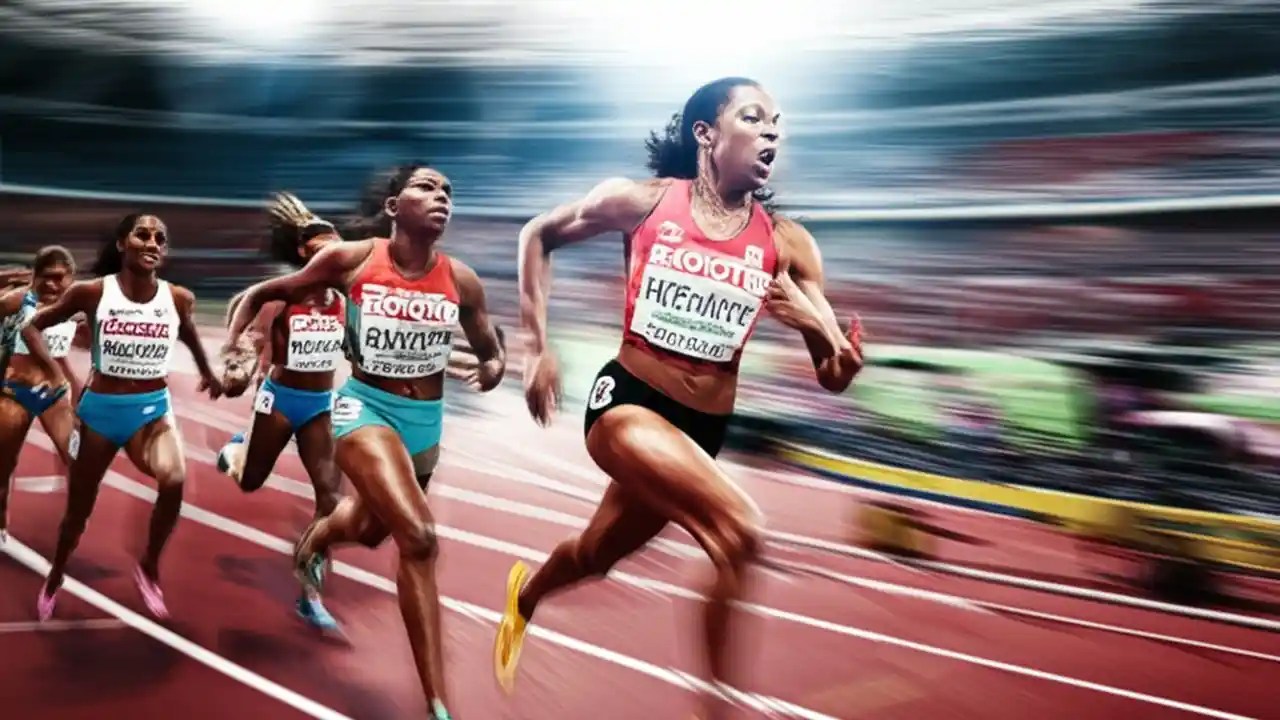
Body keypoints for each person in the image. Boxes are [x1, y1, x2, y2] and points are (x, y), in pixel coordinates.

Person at [492, 77, 865, 718]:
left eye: (779, 121)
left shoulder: (789, 244)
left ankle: (525, 596)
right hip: (626, 404)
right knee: (741, 532)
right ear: (706, 134)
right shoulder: (639, 202)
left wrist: (817, 329)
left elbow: (834, 374)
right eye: (754, 118)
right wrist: (536, 348)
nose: (773, 131)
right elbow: (538, 235)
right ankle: (717, 707)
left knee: (594, 556)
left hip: (701, 432)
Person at [223, 165, 507, 720]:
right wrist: (235, 346)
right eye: (427, 187)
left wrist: (493, 366)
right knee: (419, 538)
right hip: (361, 409)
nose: (442, 196)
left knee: (373, 529)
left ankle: (317, 537)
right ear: (395, 206)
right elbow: (262, 292)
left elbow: (488, 346)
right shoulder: (350, 260)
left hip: (425, 423)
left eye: (449, 190)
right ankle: (437, 704)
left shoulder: (463, 280)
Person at [29, 213, 224, 621]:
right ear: (122, 244)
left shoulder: (177, 298)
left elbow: (186, 330)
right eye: (143, 235)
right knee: (78, 513)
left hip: (151, 409)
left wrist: (206, 370)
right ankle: (57, 573)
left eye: (161, 238)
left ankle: (149, 565)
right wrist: (52, 370)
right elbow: (34, 327)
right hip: (100, 413)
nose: (153, 243)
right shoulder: (93, 292)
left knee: (174, 477)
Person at [216, 198, 346, 632]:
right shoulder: (280, 299)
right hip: (279, 400)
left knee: (331, 498)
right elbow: (252, 336)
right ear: (308, 254)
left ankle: (310, 595)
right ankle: (237, 452)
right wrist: (238, 364)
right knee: (251, 481)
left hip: (319, 406)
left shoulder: (344, 302)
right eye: (327, 248)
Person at [0, 246, 81, 542]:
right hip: (13, 391)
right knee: (3, 466)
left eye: (60, 278)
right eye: (45, 277)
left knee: (77, 457)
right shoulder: (17, 301)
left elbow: (67, 351)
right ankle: (0, 523)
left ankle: (73, 523)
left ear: (72, 279)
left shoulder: (77, 305)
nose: (51, 285)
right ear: (35, 276)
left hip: (53, 393)